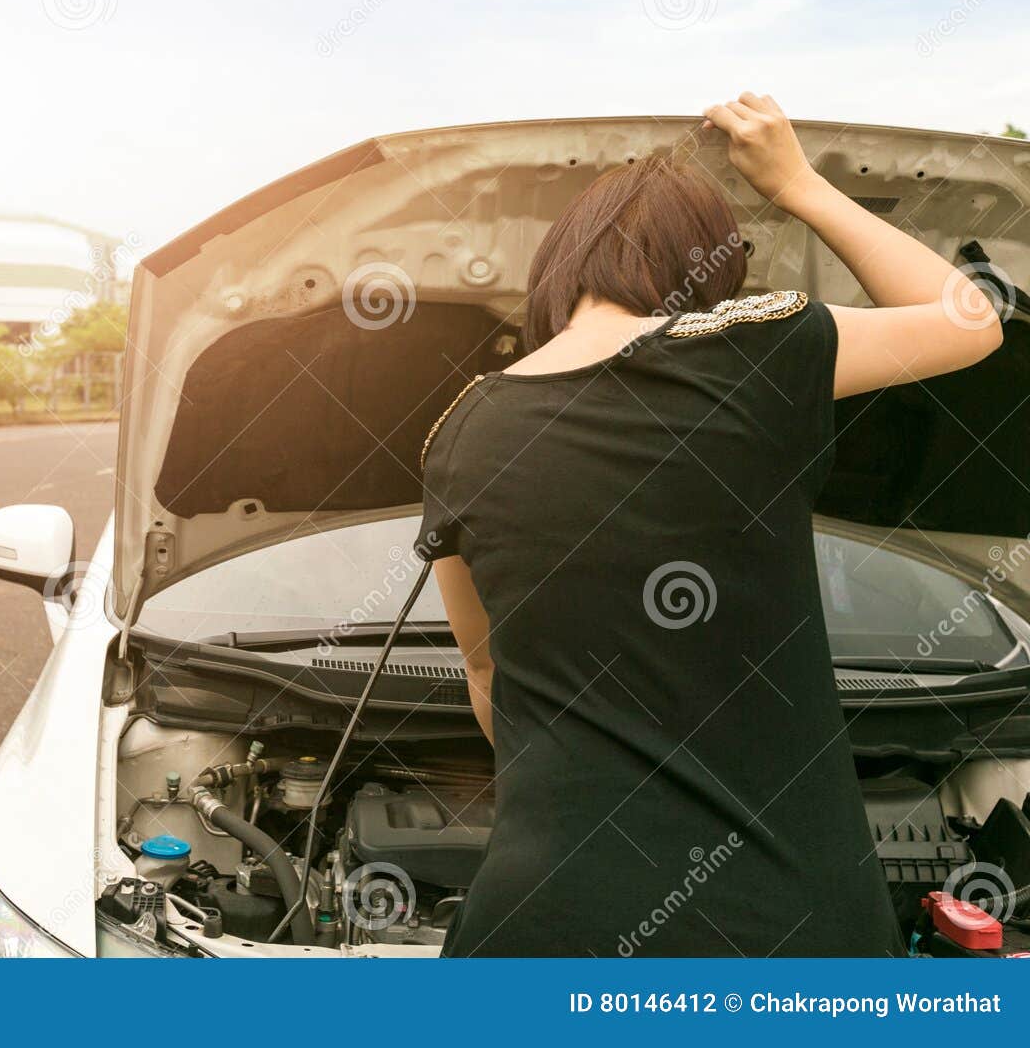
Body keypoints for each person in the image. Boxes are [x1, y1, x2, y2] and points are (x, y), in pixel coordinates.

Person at [418, 92, 1004, 957]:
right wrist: (799, 183)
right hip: (794, 935)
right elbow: (972, 321)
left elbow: (487, 669)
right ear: (704, 268)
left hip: (541, 929)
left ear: (559, 266)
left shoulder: (457, 433)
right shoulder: (760, 345)